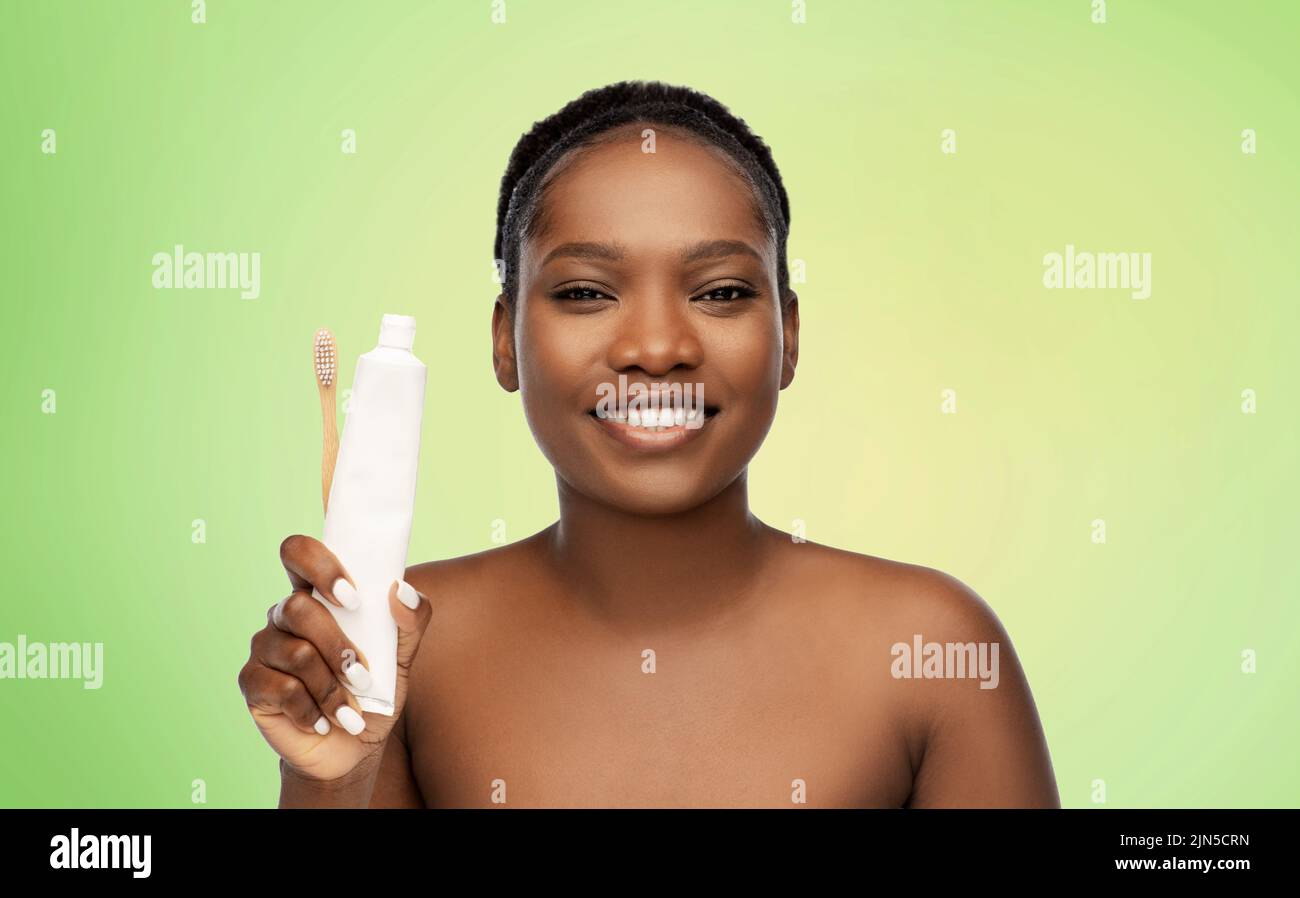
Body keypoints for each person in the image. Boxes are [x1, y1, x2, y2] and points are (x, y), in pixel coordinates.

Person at [238, 79, 1060, 808]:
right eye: (586, 292)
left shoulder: (932, 651)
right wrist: (328, 785)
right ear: (504, 342)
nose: (658, 346)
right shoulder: (393, 646)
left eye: (722, 292)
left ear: (789, 337)